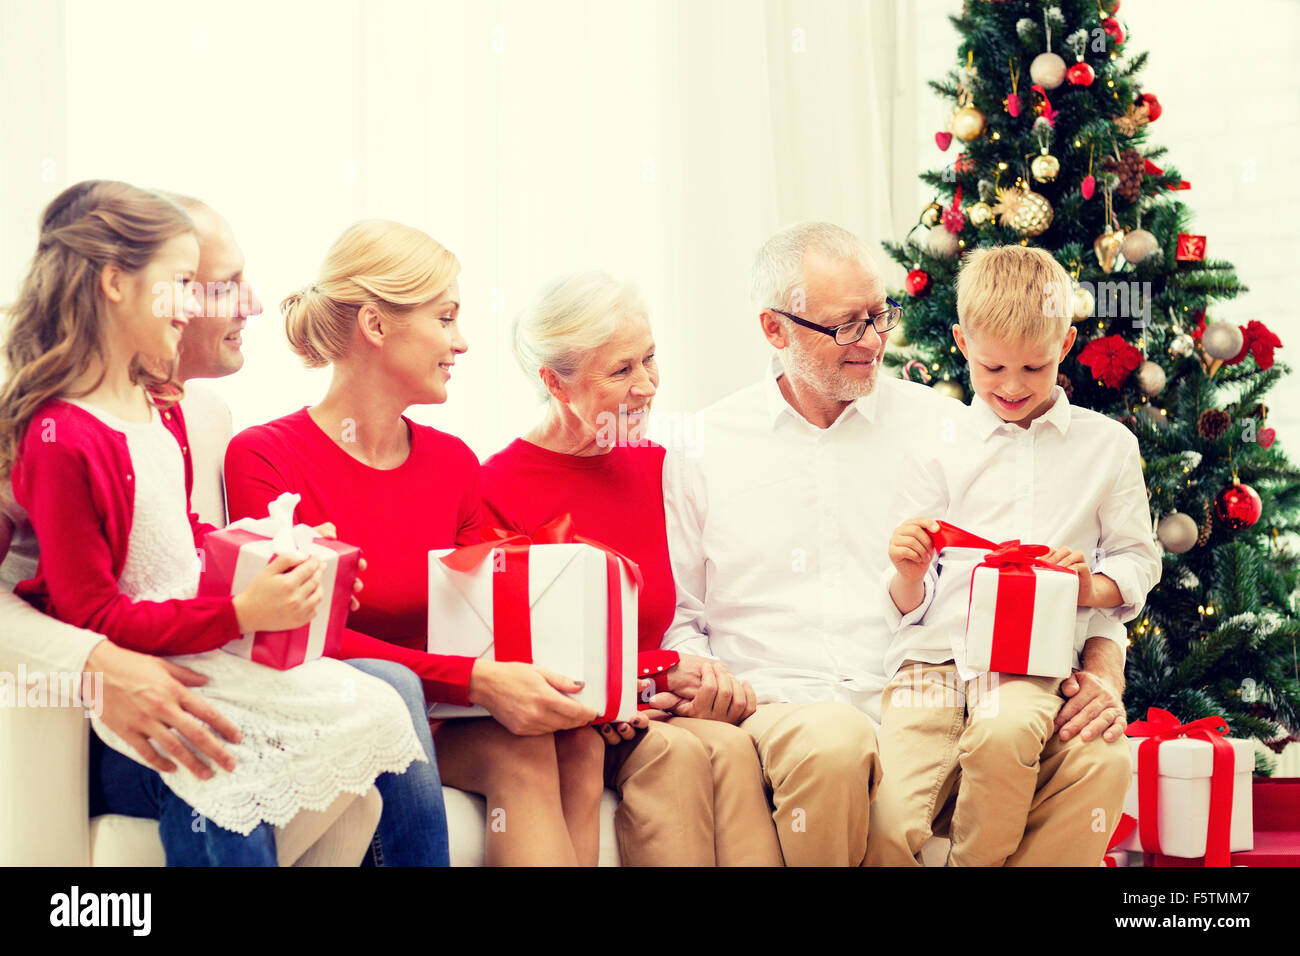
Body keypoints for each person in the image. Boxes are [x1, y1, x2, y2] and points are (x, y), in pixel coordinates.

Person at [662, 221, 1135, 866]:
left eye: (880, 315)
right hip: (787, 702)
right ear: (775, 330)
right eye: (847, 325)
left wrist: (1105, 664)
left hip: (939, 687)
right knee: (834, 747)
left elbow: (1056, 556)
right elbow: (681, 617)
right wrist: (705, 677)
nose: (875, 341)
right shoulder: (704, 446)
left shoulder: (951, 427)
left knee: (1099, 759)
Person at [0, 180, 425, 864]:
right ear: (117, 284)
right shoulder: (54, 432)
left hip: (188, 653)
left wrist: (286, 555)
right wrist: (223, 619)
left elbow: (184, 545)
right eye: (193, 284)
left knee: (379, 723)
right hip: (104, 701)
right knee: (224, 756)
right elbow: (97, 604)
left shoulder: (174, 413)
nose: (231, 303)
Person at [223, 219, 606, 865]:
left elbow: (493, 614)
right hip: (344, 713)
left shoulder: (453, 462)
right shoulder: (266, 457)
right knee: (524, 758)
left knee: (578, 741)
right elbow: (302, 634)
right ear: (376, 327)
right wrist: (475, 681)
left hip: (445, 707)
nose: (461, 343)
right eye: (446, 318)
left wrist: (593, 685)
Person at [479, 272, 783, 865]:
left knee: (731, 747)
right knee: (678, 757)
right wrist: (651, 677)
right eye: (621, 371)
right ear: (553, 381)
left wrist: (675, 681)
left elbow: (683, 611)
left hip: (646, 707)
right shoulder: (496, 486)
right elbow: (513, 655)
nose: (647, 386)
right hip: (567, 724)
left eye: (649, 360)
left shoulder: (656, 467)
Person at [870, 245, 1159, 866]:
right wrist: (908, 571)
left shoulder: (1107, 447)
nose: (1011, 386)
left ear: (1066, 343)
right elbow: (903, 605)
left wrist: (1092, 589)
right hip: (932, 663)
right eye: (993, 366)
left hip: (1032, 660)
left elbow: (1139, 560)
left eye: (1034, 367)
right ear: (961, 342)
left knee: (1005, 733)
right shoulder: (934, 445)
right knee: (887, 816)